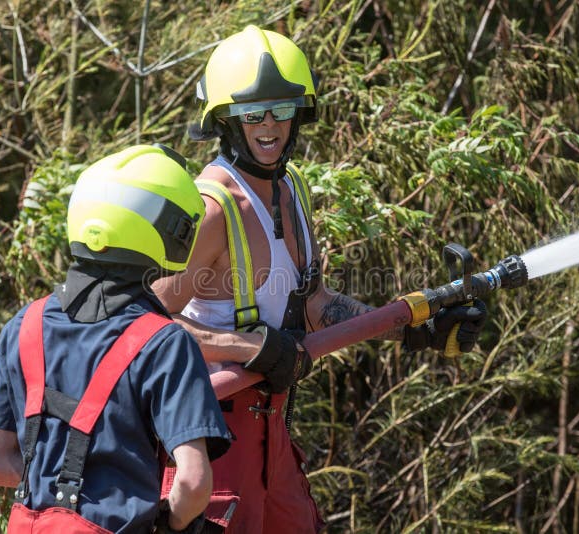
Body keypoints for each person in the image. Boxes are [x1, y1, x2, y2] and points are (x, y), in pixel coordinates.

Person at [151, 26, 487, 533]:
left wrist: (416, 330)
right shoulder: (211, 206)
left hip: (272, 431)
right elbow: (143, 326)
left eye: (282, 110)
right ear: (223, 119)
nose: (270, 125)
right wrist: (248, 348)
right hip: (208, 439)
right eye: (252, 113)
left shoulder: (291, 189)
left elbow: (315, 305)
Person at [0, 144, 232, 533]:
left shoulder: (23, 326)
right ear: (171, 233)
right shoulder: (164, 343)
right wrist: (168, 523)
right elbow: (194, 482)